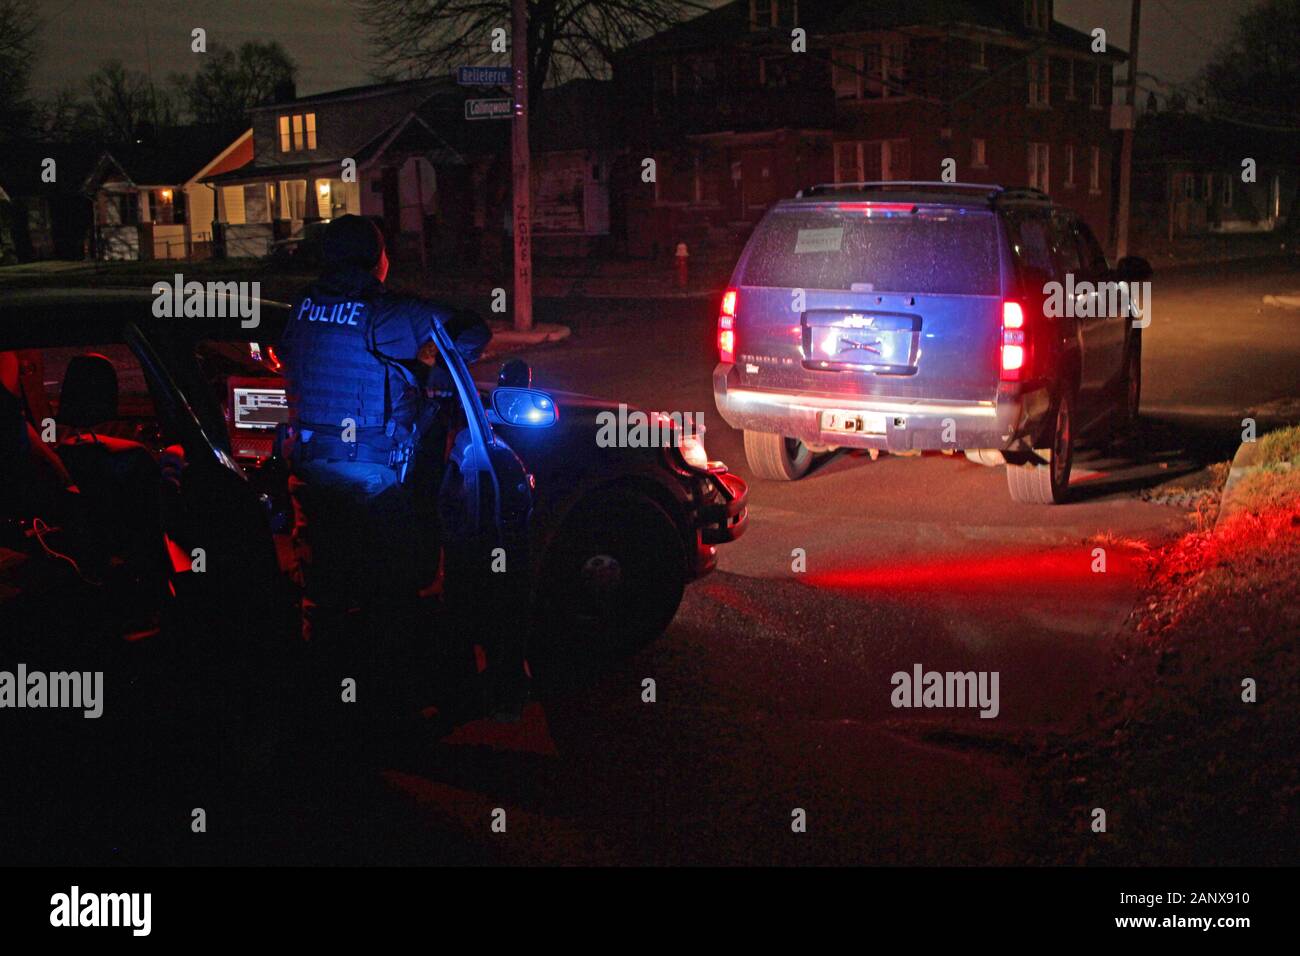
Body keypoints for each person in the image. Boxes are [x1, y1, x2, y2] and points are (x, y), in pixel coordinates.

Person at [281, 215, 497, 715]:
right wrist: (424, 365)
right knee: (397, 595)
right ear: (378, 260)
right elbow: (471, 331)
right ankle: (394, 708)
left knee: (324, 597)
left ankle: (324, 703)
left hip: (310, 478)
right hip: (372, 483)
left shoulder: (303, 308)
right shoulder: (387, 315)